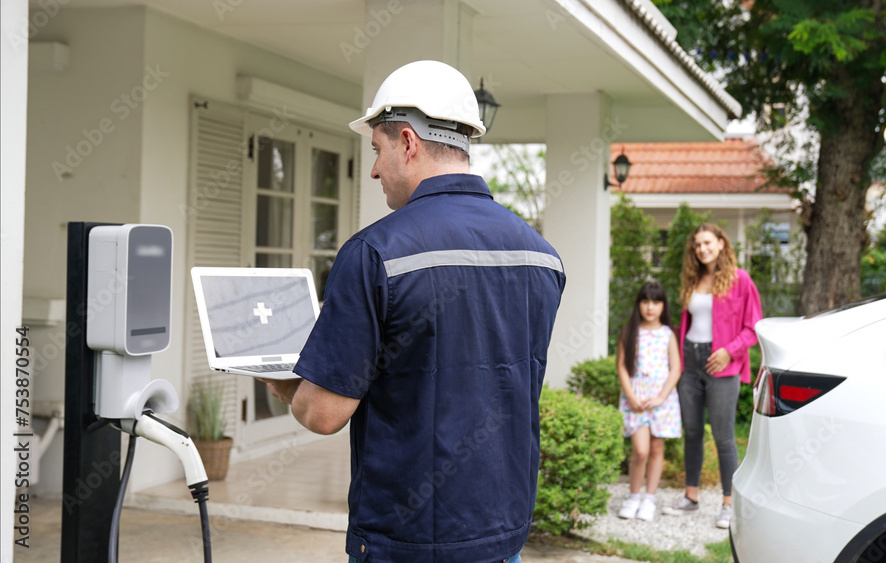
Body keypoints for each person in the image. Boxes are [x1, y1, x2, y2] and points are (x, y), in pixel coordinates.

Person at [261, 60, 565, 563]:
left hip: (407, 542)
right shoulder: (539, 255)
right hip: (503, 533)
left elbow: (323, 413)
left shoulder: (376, 253)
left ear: (408, 141)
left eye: (378, 150)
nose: (376, 168)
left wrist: (283, 383)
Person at [662, 223, 762, 530]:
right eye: (697, 245)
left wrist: (729, 351)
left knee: (723, 436)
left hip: (722, 364)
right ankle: (690, 498)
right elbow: (689, 321)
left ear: (721, 243)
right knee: (692, 431)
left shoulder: (740, 280)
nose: (701, 249)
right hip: (690, 362)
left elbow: (754, 325)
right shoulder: (693, 279)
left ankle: (728, 503)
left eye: (707, 243)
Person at [615, 281, 682, 521]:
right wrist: (631, 396)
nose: (650, 307)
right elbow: (621, 366)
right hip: (636, 399)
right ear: (639, 304)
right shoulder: (630, 331)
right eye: (645, 301)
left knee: (656, 448)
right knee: (640, 450)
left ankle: (649, 499)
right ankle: (634, 496)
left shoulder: (668, 334)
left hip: (661, 400)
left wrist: (661, 396)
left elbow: (676, 369)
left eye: (656, 301)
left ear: (663, 305)